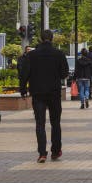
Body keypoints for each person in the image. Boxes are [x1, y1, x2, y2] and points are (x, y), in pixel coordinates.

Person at [19, 29, 69, 163]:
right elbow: (64, 73)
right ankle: (56, 150)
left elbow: (24, 74)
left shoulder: (32, 55)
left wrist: (23, 89)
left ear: (40, 39)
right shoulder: (58, 54)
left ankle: (42, 153)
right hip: (53, 92)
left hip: (38, 92)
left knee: (40, 123)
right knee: (55, 122)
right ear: (52, 39)